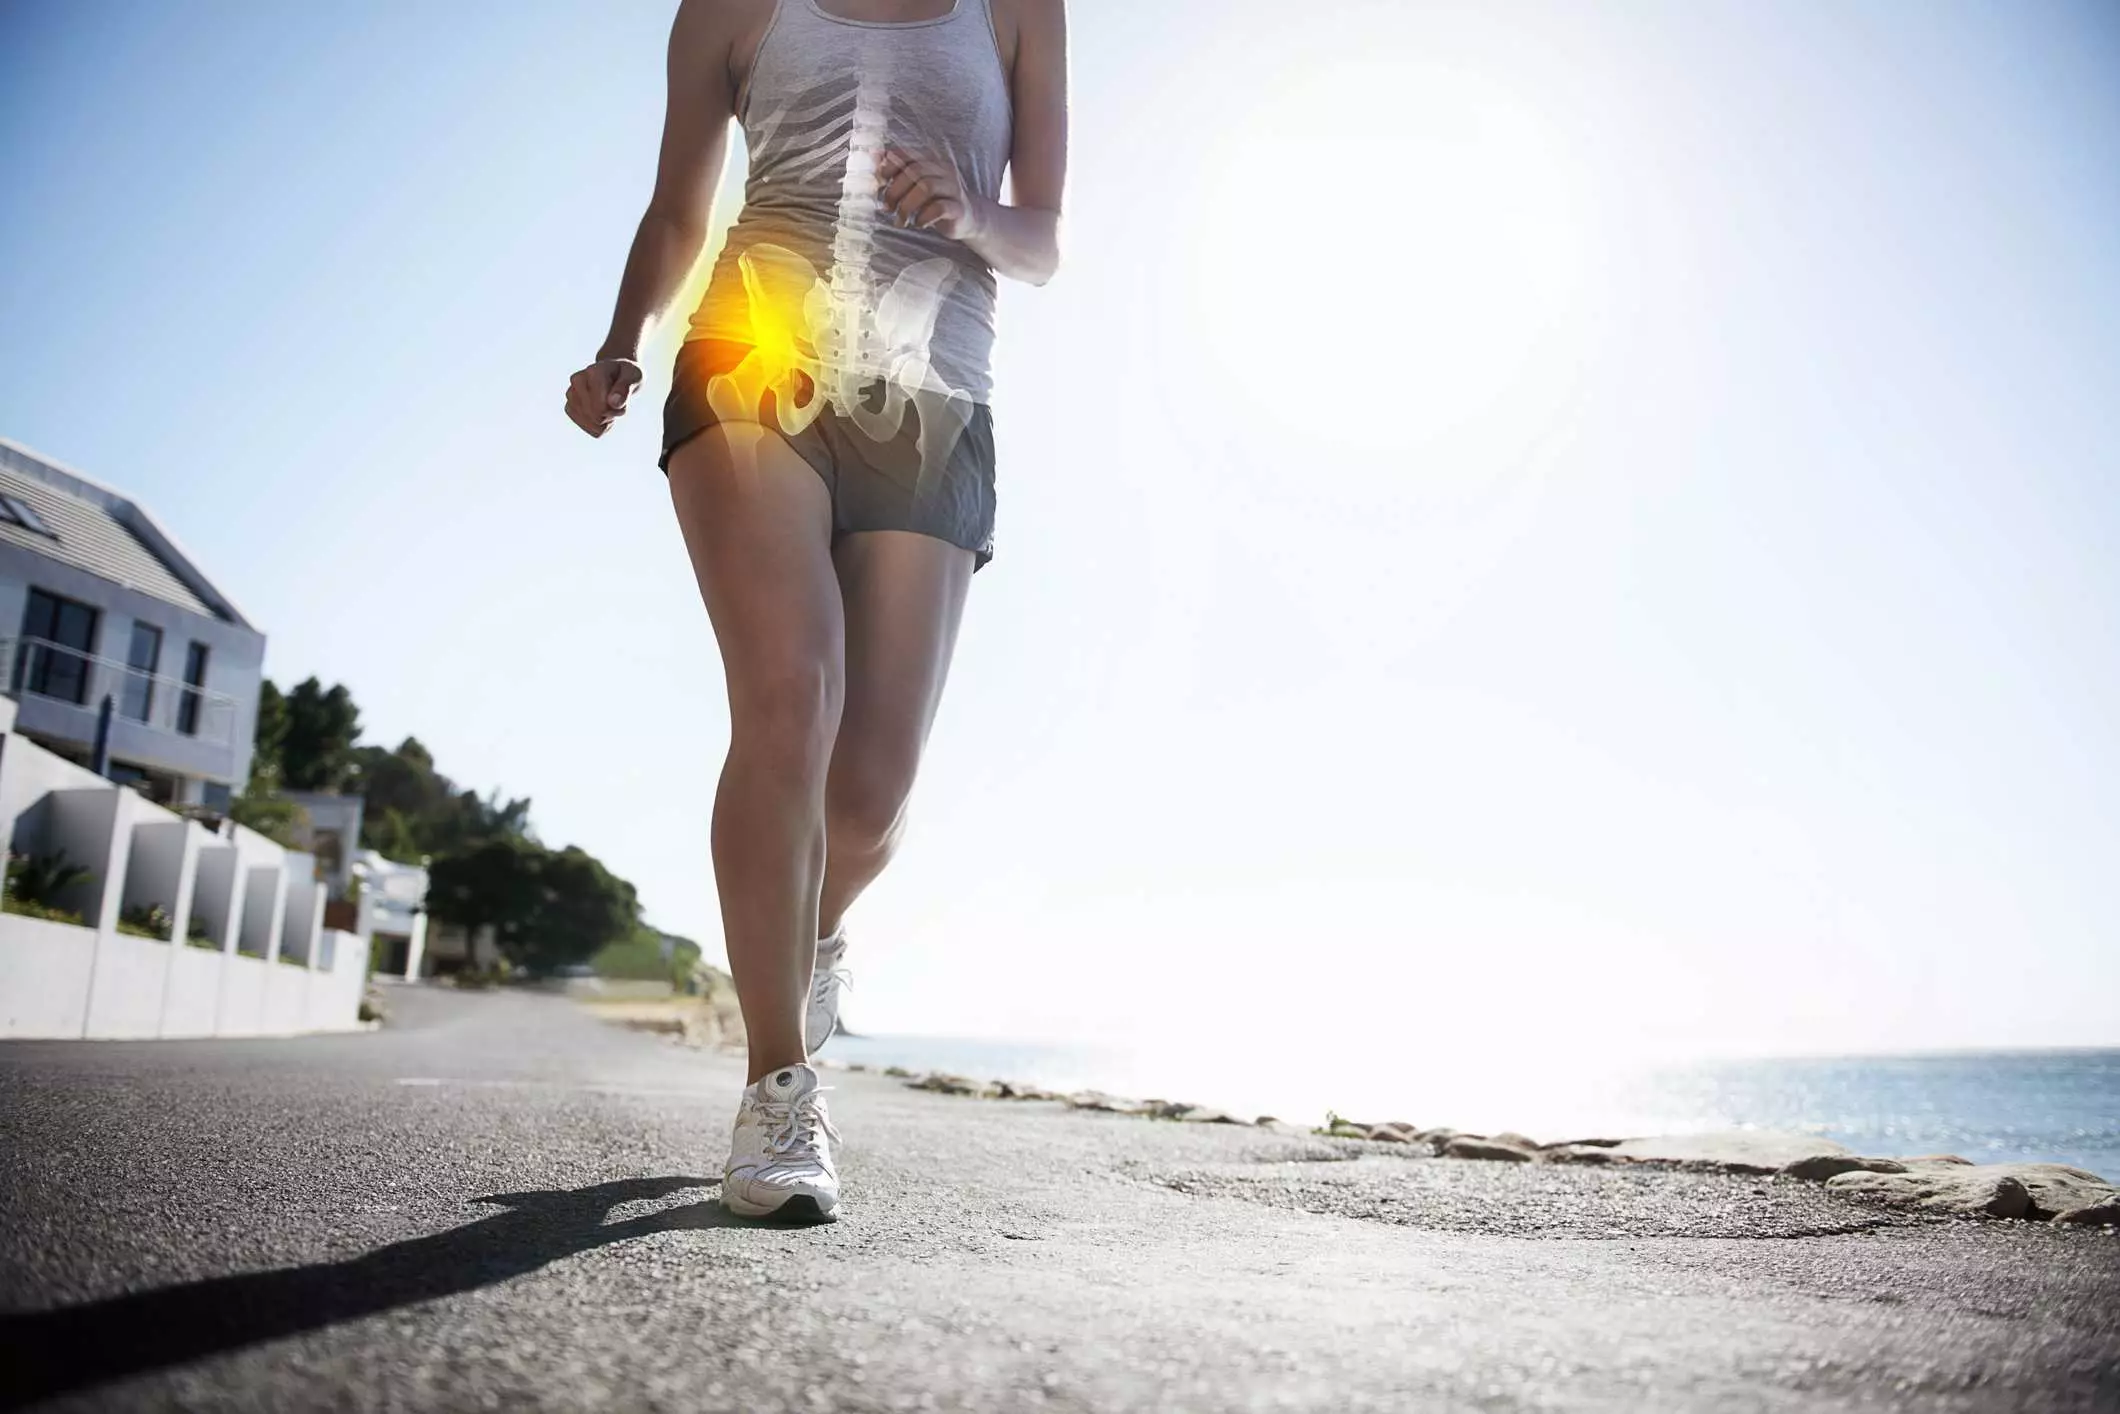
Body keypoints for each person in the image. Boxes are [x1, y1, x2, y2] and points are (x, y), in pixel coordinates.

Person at [563, 0, 1068, 1223]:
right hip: (752, 347)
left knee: (869, 793)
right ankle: (776, 1086)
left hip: (933, 389)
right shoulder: (728, 11)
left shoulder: (1020, 11)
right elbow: (681, 204)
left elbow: (1041, 240)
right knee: (790, 692)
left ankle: (816, 923)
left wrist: (963, 211)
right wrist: (622, 339)